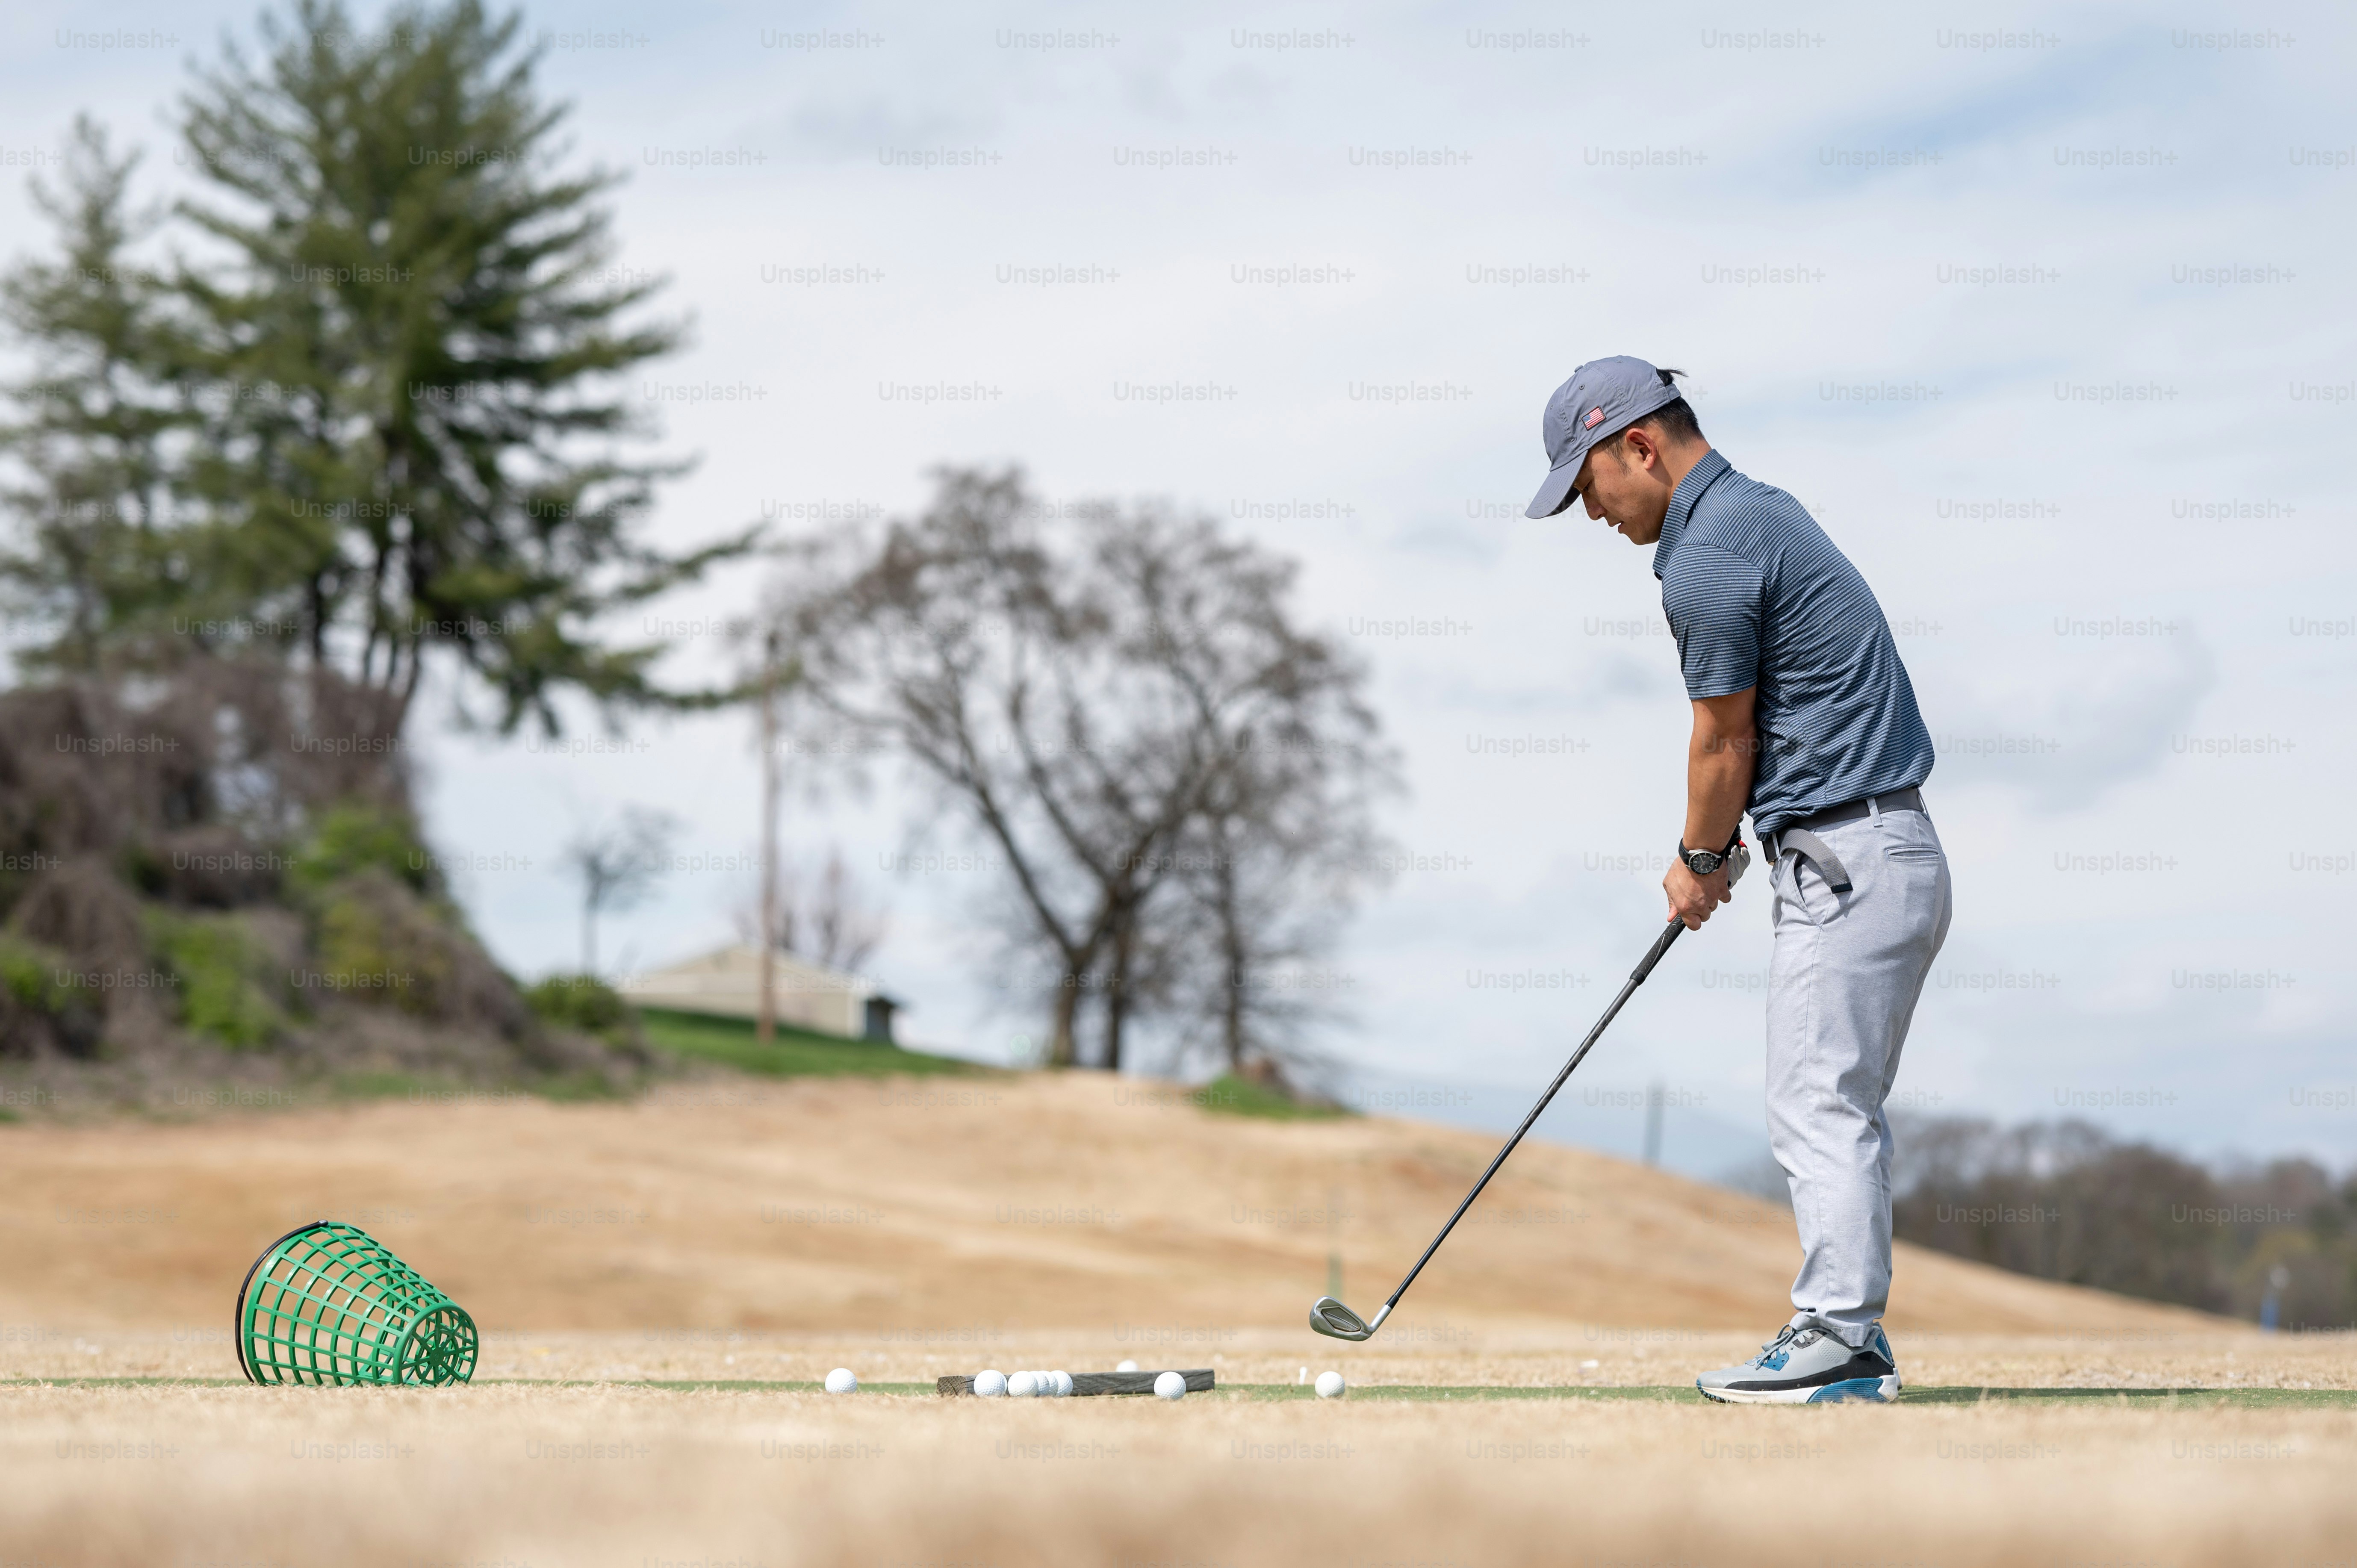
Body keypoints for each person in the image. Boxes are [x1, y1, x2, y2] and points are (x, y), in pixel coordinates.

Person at [1523, 356, 1954, 1403]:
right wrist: (1724, 852)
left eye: (1588, 486)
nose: (1592, 514)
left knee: (1817, 1101)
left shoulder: (1707, 550)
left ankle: (1840, 1337)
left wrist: (1698, 861)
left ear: (1638, 446)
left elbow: (1725, 739)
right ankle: (1845, 1333)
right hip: (1875, 848)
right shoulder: (1758, 511)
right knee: (1831, 1098)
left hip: (1848, 858)